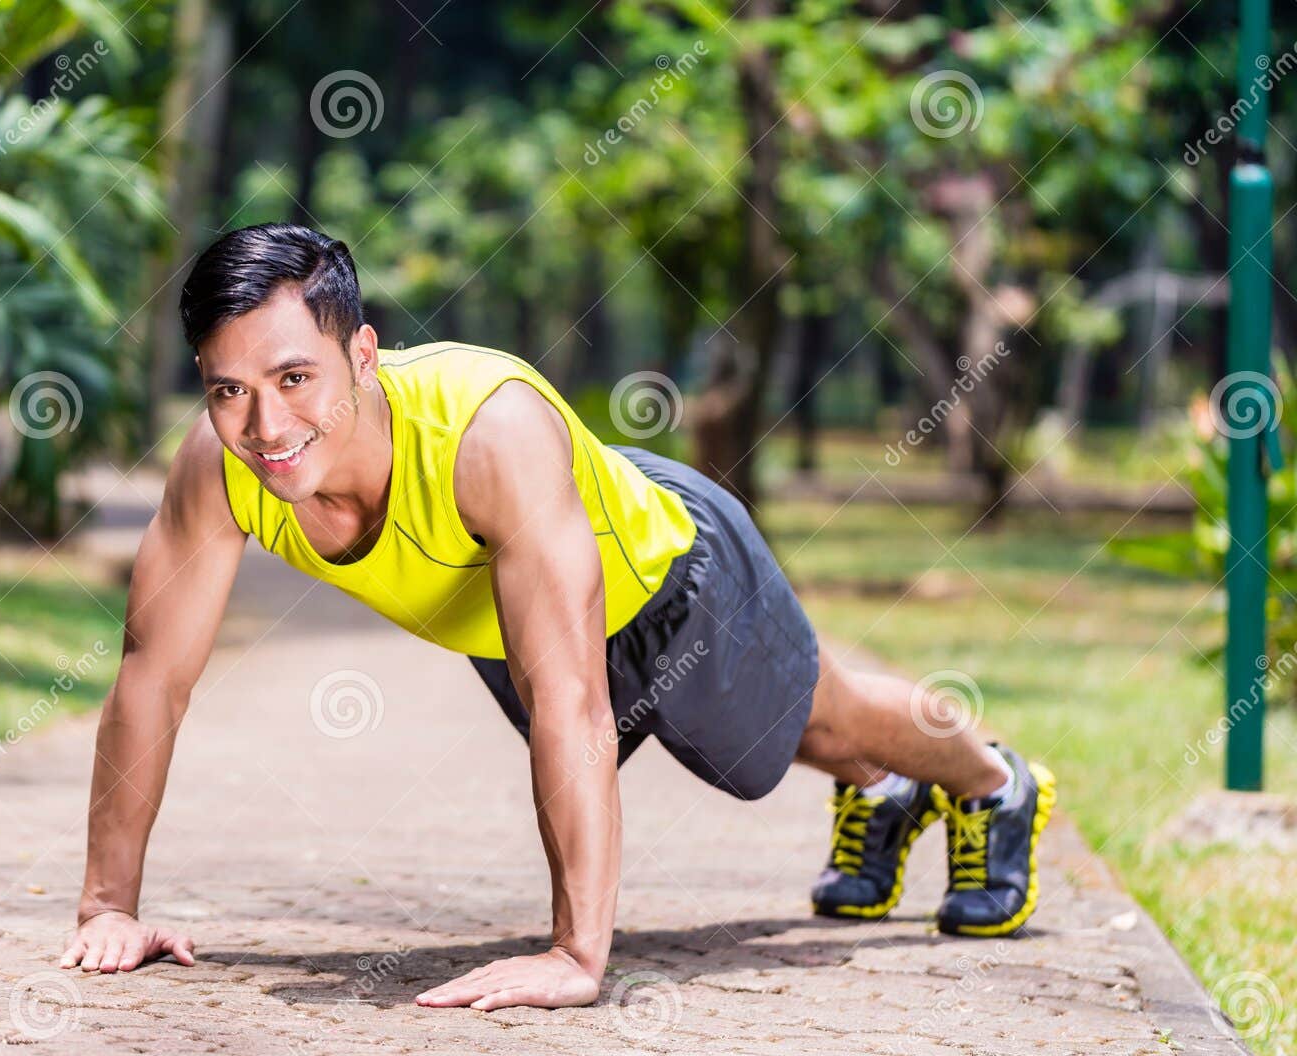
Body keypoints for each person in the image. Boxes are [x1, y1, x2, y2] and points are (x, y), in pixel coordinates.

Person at [58, 222, 1056, 1011]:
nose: (265, 427)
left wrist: (578, 953)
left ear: (361, 351)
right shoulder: (217, 468)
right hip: (523, 601)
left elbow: (572, 698)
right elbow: (152, 674)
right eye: (228, 390)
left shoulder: (485, 431)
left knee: (819, 719)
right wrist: (110, 906)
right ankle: (881, 793)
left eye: (292, 378)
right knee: (796, 735)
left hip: (670, 581)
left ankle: (992, 780)